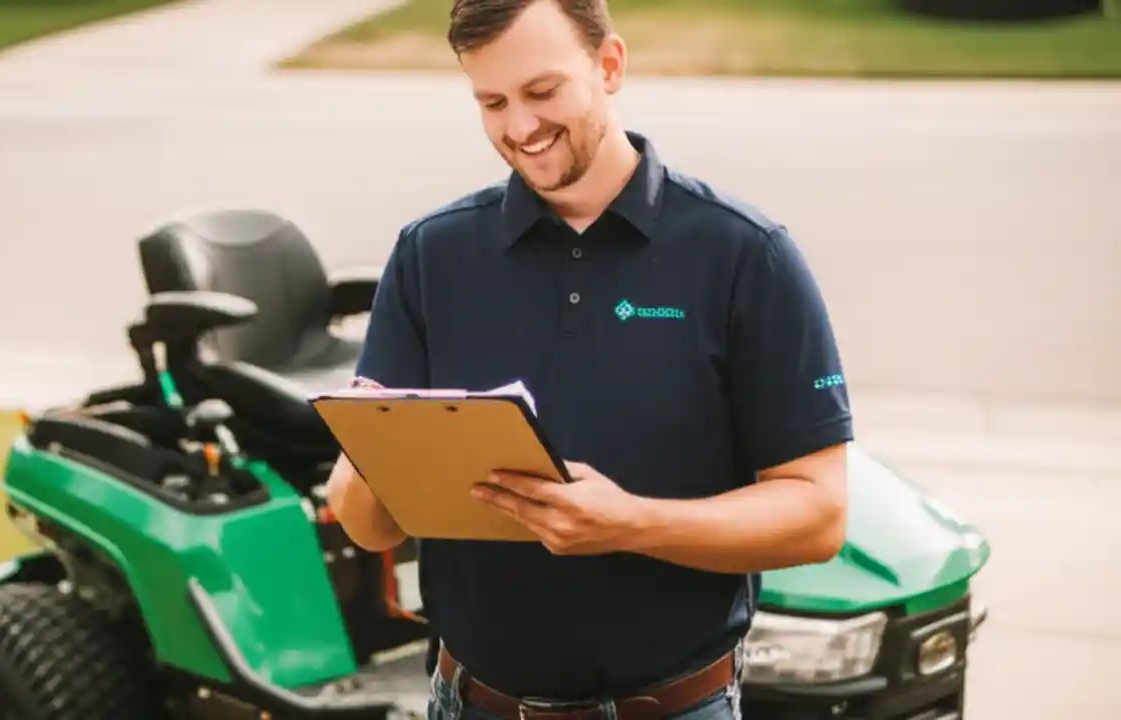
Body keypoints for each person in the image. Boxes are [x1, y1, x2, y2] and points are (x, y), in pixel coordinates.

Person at [325, 1, 854, 719]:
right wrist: (367, 452)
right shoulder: (432, 254)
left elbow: (818, 513)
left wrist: (630, 523)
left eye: (543, 92)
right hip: (473, 703)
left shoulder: (745, 255)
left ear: (609, 66)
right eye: (492, 102)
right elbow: (370, 527)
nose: (519, 128)